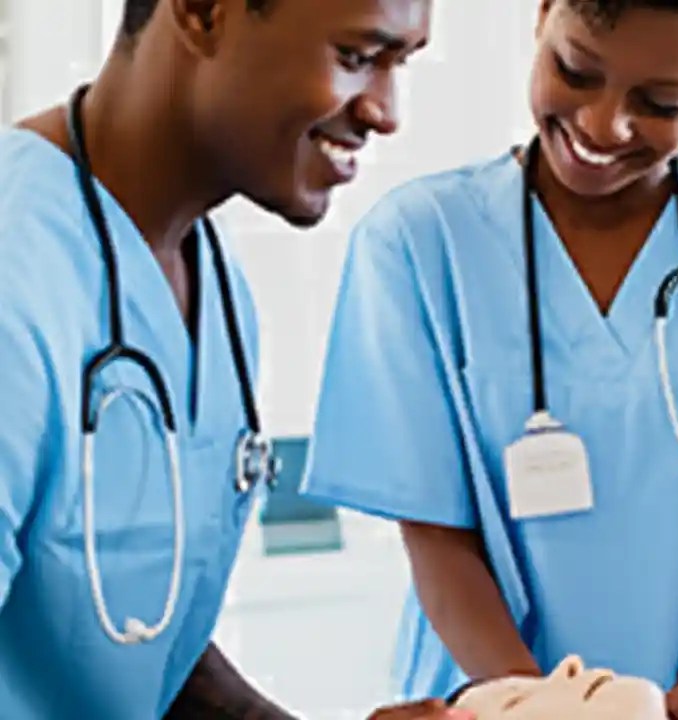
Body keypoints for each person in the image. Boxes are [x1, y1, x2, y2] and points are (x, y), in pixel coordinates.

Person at [301, 0, 678, 718]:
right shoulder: (418, 243)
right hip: (493, 698)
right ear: (543, 16)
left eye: (661, 102)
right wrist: (536, 708)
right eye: (576, 71)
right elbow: (437, 534)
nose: (601, 125)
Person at [0, 1, 469, 718]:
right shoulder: (17, 270)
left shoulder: (216, 290)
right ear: (202, 11)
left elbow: (129, 633)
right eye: (355, 57)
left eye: (398, 63)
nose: (385, 111)